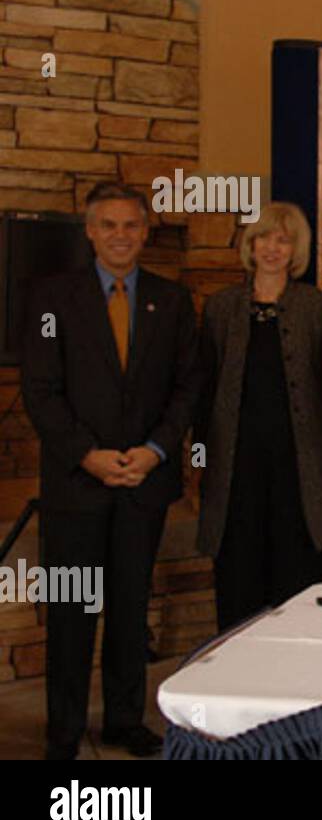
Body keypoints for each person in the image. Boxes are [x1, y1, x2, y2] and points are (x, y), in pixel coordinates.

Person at [21, 182, 201, 759]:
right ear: (90, 231)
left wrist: (155, 451)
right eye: (109, 225)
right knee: (73, 613)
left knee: (129, 608)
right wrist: (88, 455)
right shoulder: (51, 300)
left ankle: (125, 719)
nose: (121, 235)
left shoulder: (172, 301)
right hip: (77, 484)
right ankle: (64, 731)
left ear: (144, 232)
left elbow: (186, 390)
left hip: (144, 482)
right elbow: (41, 392)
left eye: (131, 225)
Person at [197, 202, 322, 630]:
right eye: (264, 237)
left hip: (299, 463)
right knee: (238, 563)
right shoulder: (222, 307)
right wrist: (199, 459)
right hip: (236, 462)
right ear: (250, 244)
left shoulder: (315, 306)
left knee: (295, 563)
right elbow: (204, 388)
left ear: (296, 249)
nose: (272, 248)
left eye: (283, 239)